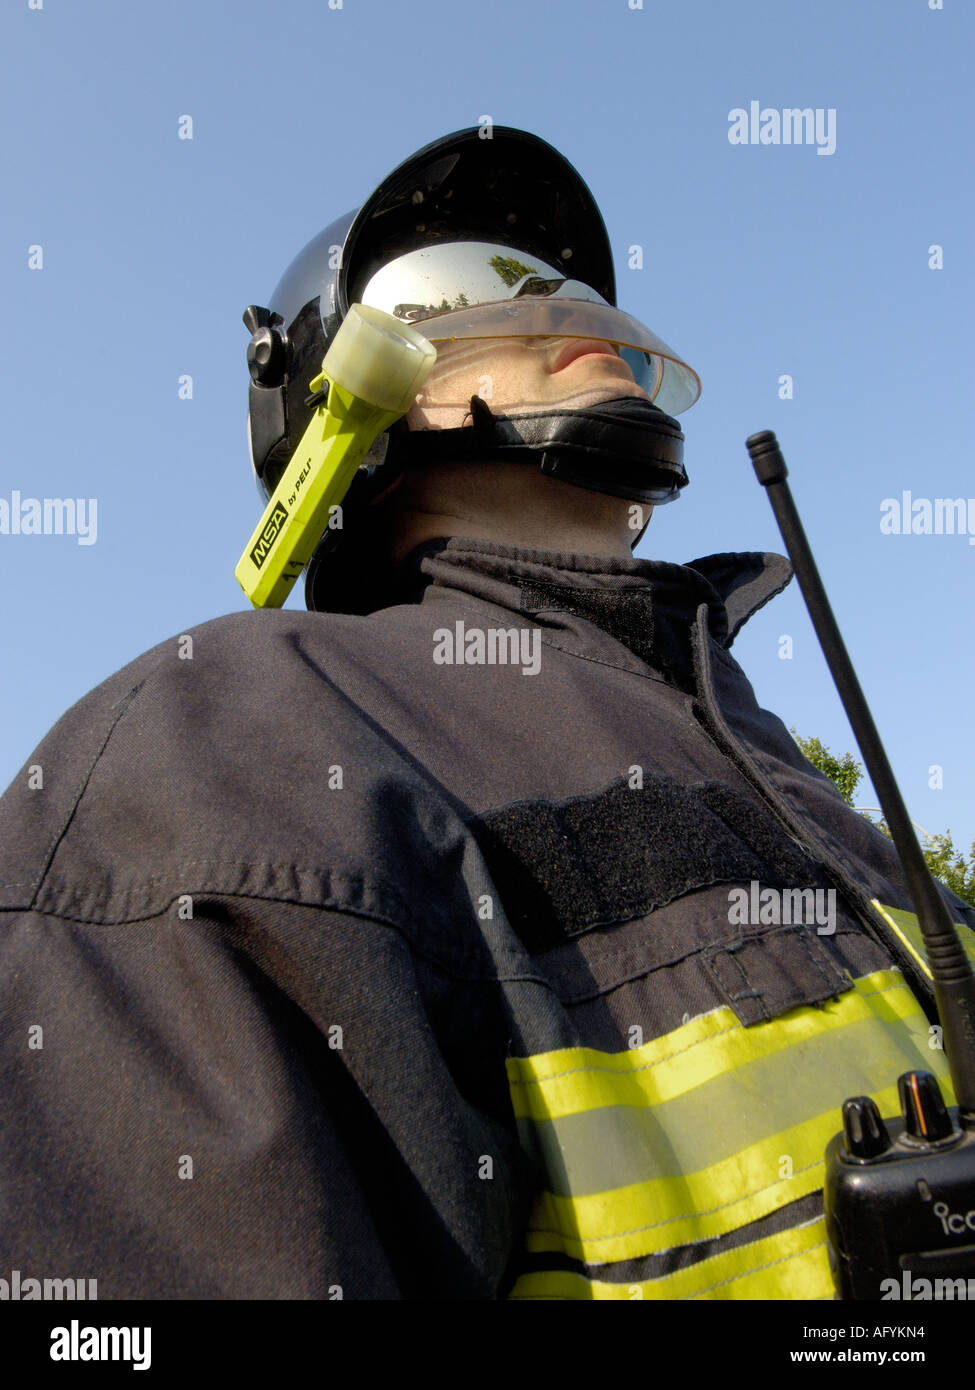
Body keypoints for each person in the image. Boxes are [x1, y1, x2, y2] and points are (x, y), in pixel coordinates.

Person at [1, 125, 972, 1302]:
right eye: (467, 288)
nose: (560, 313)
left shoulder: (774, 756)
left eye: (568, 290)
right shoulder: (223, 739)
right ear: (338, 405)